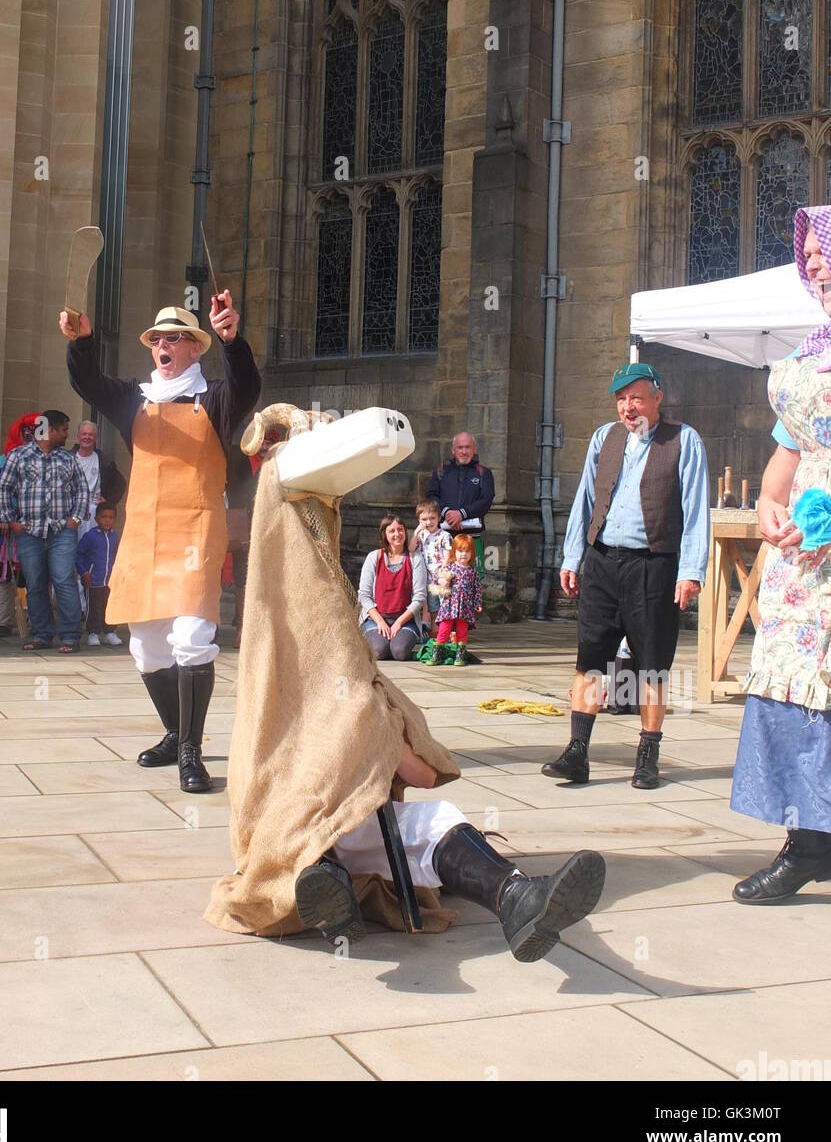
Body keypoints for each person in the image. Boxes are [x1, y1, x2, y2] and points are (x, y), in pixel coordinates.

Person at [204, 402, 606, 960]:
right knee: (421, 819)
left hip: (318, 833)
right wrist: (381, 744)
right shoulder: (364, 703)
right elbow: (417, 771)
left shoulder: (272, 694)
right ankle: (503, 894)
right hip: (330, 831)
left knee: (333, 834)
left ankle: (511, 901)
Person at [63, 293, 260, 791]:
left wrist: (232, 341)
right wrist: (83, 341)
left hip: (196, 527)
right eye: (157, 339)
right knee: (147, 646)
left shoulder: (214, 397)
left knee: (192, 637)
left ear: (196, 347)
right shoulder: (135, 397)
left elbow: (247, 388)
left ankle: (192, 752)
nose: (164, 344)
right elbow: (86, 381)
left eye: (175, 337)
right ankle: (174, 732)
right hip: (145, 529)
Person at [729, 206, 831, 903]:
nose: (814, 264)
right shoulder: (805, 354)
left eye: (824, 250)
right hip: (799, 560)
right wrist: (768, 501)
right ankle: (805, 842)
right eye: (810, 255)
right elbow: (785, 450)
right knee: (792, 684)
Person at [548, 363, 709, 789]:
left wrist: (691, 571)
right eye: (621, 399)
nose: (628, 407)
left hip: (653, 566)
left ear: (658, 397)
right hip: (602, 563)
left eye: (636, 397)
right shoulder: (604, 438)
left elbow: (695, 511)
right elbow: (585, 498)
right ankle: (577, 754)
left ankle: (647, 757)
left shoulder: (683, 440)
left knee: (652, 666)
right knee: (590, 660)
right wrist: (571, 557)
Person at [0, 409, 90, 653]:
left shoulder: (68, 459)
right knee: (36, 584)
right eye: (64, 430)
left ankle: (70, 635)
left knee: (64, 581)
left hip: (62, 531)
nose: (67, 435)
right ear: (49, 430)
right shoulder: (18, 456)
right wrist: (10, 520)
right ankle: (42, 634)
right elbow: (4, 488)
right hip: (29, 530)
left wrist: (76, 518)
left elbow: (82, 489)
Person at [0, 413, 39, 638]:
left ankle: (34, 618)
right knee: (4, 573)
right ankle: (2, 620)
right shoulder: (4, 459)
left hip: (36, 525)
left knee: (35, 573)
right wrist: (6, 516)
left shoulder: (47, 459)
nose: (29, 435)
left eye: (34, 431)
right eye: (25, 431)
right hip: (8, 526)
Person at [358, 514, 426, 661]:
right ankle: (380, 639)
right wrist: (380, 621)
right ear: (385, 534)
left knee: (400, 652)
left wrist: (399, 623)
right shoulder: (374, 557)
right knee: (379, 651)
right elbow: (364, 594)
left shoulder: (416, 559)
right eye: (392, 531)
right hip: (376, 618)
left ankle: (397, 641)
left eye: (400, 530)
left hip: (405, 620)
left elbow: (419, 597)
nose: (397, 534)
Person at [425, 432, 494, 571]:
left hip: (471, 537)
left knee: (471, 584)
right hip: (443, 537)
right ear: (453, 450)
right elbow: (431, 495)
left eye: (467, 447)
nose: (464, 451)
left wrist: (462, 514)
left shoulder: (483, 473)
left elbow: (486, 500)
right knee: (442, 582)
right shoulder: (441, 471)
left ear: (474, 449)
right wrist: (447, 512)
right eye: (460, 447)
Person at [422, 533, 482, 666]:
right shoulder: (451, 567)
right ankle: (436, 654)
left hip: (465, 607)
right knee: (444, 629)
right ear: (454, 551)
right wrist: (442, 580)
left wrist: (478, 603)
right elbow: (439, 578)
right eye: (460, 551)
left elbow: (477, 589)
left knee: (462, 631)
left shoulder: (473, 572)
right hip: (450, 605)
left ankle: (459, 656)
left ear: (472, 553)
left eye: (467, 551)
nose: (463, 554)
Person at [76, 502, 122, 647]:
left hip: (110, 581)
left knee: (110, 607)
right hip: (93, 580)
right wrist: (83, 572)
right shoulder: (90, 536)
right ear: (96, 519)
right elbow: (79, 555)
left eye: (111, 517)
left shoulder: (116, 537)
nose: (107, 520)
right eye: (104, 517)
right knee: (94, 608)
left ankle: (110, 632)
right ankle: (93, 633)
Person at [409, 497, 451, 632]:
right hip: (426, 578)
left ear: (439, 518)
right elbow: (411, 549)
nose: (429, 522)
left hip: (440, 579)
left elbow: (448, 557)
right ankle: (434, 640)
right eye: (424, 519)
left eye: (432, 518)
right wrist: (416, 532)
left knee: (444, 611)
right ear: (419, 520)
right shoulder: (421, 535)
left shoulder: (444, 535)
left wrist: (444, 576)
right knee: (433, 612)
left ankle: (444, 639)